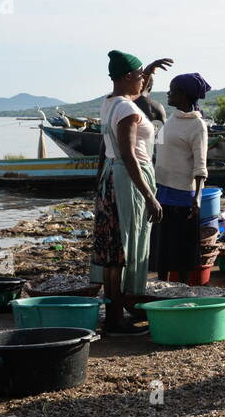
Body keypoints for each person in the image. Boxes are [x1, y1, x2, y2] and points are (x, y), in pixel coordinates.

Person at [89, 50, 166, 335]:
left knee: (113, 252)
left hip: (113, 176)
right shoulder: (127, 110)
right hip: (128, 180)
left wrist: (148, 71)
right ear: (125, 78)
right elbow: (129, 155)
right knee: (122, 250)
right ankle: (115, 318)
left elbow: (135, 91)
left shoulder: (110, 103)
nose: (142, 81)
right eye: (139, 77)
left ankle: (114, 314)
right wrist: (149, 196)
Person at [150, 72, 212, 281]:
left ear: (184, 95)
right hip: (162, 191)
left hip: (182, 195)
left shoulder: (197, 125)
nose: (168, 93)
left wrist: (198, 196)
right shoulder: (172, 119)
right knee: (163, 245)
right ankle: (161, 286)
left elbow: (200, 165)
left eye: (173, 91)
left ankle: (182, 290)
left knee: (181, 248)